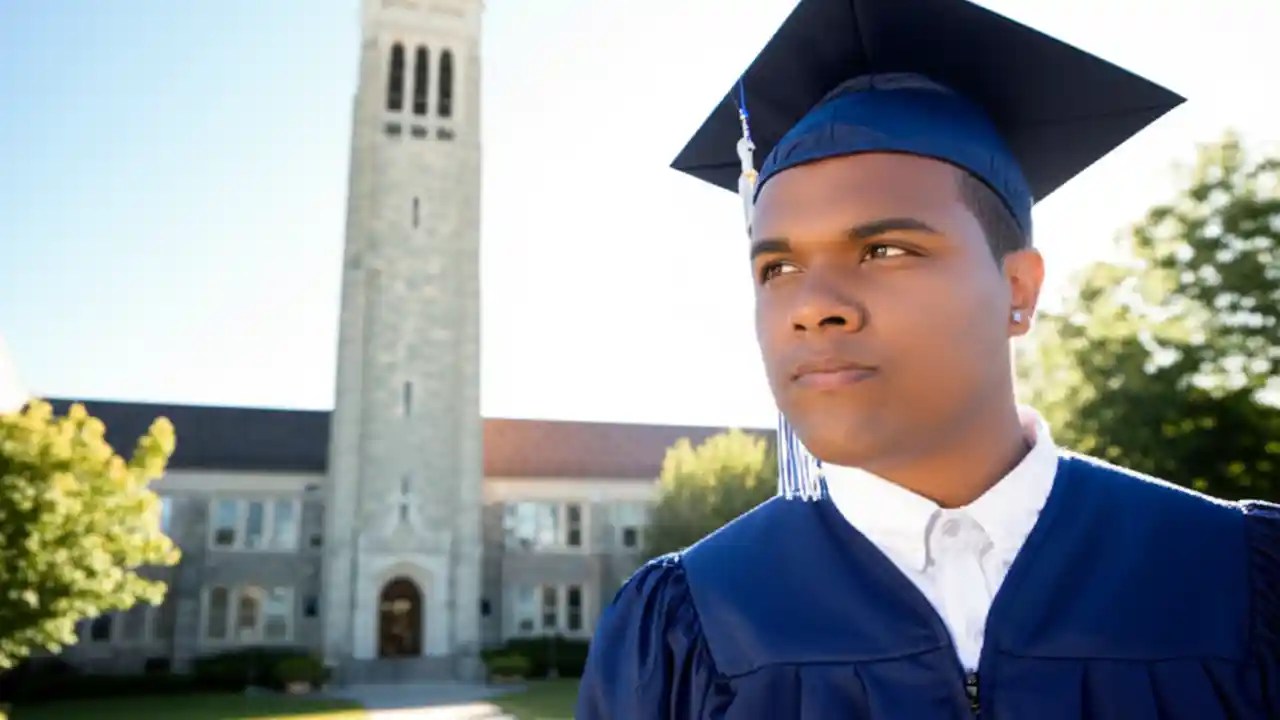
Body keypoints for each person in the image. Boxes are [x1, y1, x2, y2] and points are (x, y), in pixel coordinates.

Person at [575, 0, 1280, 717]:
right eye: (777, 268)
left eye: (886, 251)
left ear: (1018, 289)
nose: (813, 304)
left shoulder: (1233, 582)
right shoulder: (693, 621)